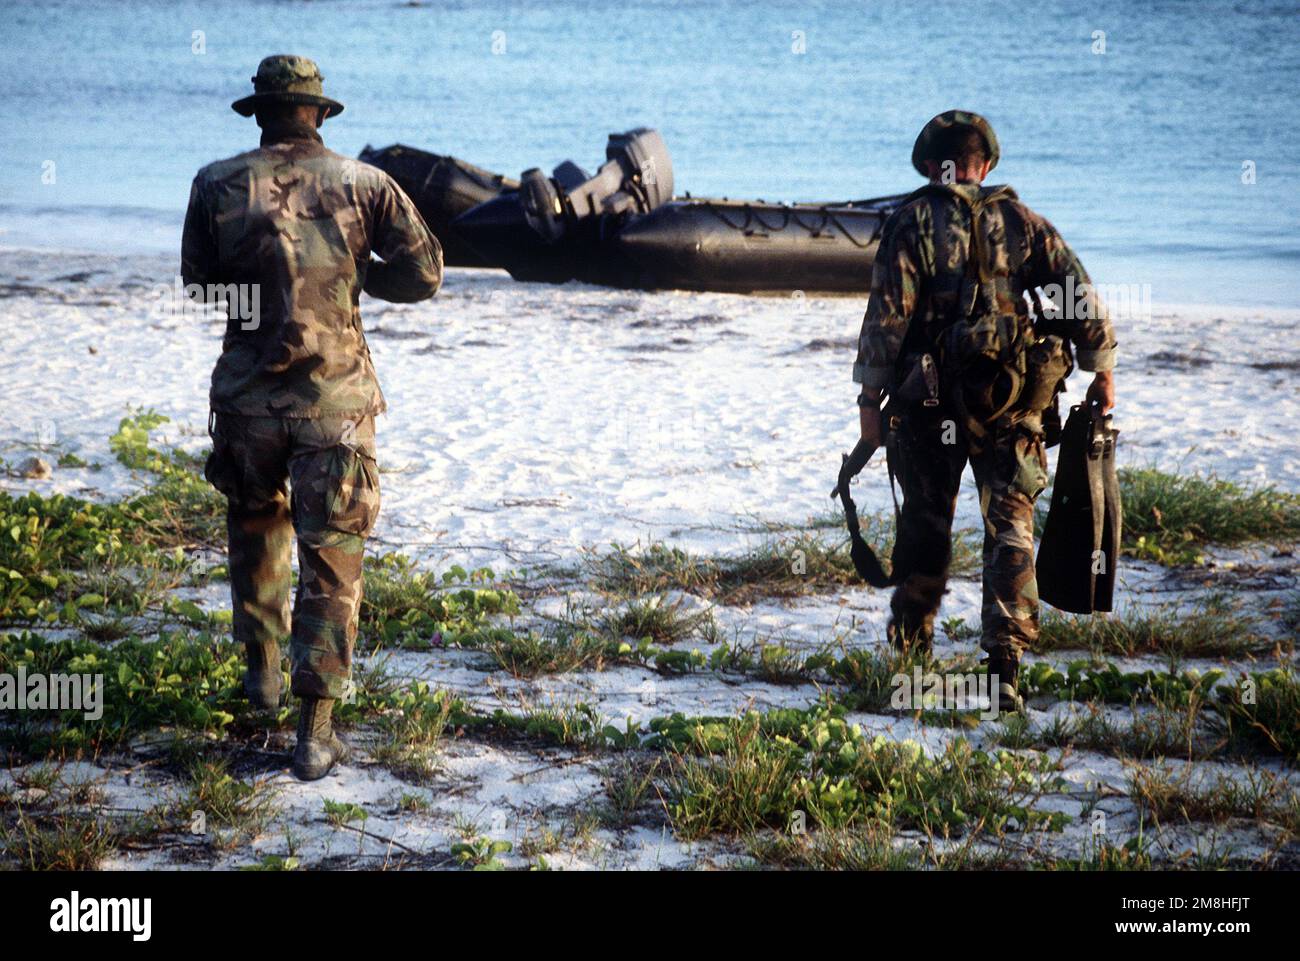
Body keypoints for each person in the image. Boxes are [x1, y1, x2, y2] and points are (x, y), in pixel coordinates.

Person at [182, 55, 443, 778]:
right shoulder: (366, 185)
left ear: (259, 113)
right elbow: (425, 274)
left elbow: (201, 289)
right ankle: (314, 732)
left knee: (255, 525)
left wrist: (262, 302)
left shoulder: (216, 183)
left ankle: (261, 673)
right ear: (320, 114)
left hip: (246, 399)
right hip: (335, 403)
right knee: (332, 558)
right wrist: (352, 281)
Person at [852, 110, 1117, 712]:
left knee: (925, 522)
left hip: (928, 404)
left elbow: (886, 322)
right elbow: (1076, 293)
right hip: (1011, 402)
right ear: (988, 164)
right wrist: (1101, 369)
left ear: (927, 166)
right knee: (1011, 525)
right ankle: (1004, 667)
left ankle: (911, 656)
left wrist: (869, 403)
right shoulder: (1020, 222)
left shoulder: (909, 223)